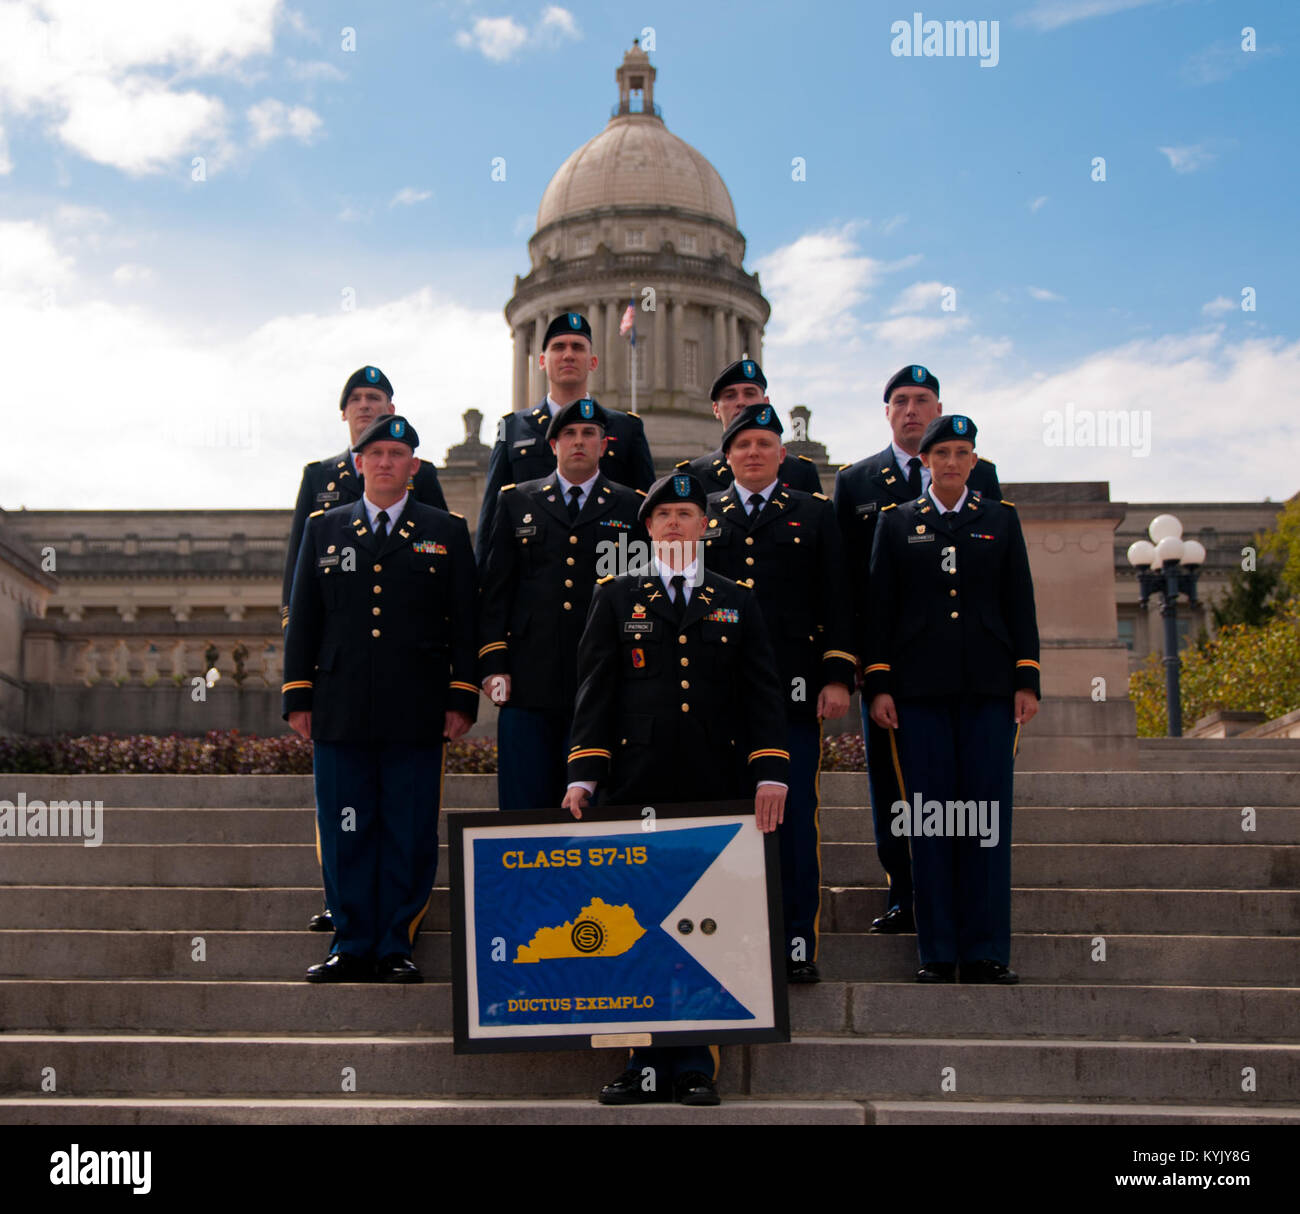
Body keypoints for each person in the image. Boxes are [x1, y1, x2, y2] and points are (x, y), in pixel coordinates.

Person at [562, 471, 789, 1106]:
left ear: (703, 525)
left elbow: (762, 694)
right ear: (648, 529)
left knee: (700, 927)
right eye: (662, 515)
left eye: (686, 513)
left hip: (711, 782)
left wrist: (769, 770)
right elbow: (596, 691)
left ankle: (694, 1065)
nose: (673, 524)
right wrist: (584, 772)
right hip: (636, 781)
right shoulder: (616, 596)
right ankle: (642, 1064)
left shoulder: (735, 598)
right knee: (634, 922)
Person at [282, 415, 478, 983]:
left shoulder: (445, 529)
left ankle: (396, 941)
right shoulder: (325, 528)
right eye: (377, 454)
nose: (387, 462)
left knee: (408, 826)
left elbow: (465, 622)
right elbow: (305, 619)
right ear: (358, 464)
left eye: (398, 454)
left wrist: (461, 696)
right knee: (346, 826)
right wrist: (299, 695)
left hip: (416, 706)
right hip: (339, 705)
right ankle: (351, 940)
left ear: (414, 467)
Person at [863, 414, 1039, 984]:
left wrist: (1026, 679)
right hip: (919, 693)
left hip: (989, 690)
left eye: (962, 453)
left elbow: (1020, 602)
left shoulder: (1001, 521)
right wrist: (882, 684)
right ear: (928, 461)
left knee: (986, 819)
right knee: (932, 820)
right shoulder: (895, 524)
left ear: (972, 462)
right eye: (942, 453)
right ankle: (937, 951)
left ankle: (987, 949)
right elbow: (880, 613)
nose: (952, 463)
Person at [833, 364, 1001, 935]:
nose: (911, 410)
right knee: (893, 784)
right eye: (900, 401)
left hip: (963, 667)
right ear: (887, 413)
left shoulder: (984, 476)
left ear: (938, 408)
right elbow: (847, 579)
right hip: (887, 664)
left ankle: (961, 898)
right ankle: (904, 888)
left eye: (922, 400)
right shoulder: (856, 482)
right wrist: (854, 660)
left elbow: (998, 574)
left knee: (963, 786)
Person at [702, 403, 854, 983]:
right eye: (743, 446)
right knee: (727, 818)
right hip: (719, 696)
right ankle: (733, 940)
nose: (754, 453)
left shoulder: (814, 513)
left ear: (782, 455)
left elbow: (837, 599)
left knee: (792, 820)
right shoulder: (702, 516)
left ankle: (795, 942)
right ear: (727, 456)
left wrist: (837, 675)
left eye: (765, 444)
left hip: (794, 691)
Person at [477, 397, 645, 811]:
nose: (578, 442)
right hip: (529, 678)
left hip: (603, 680)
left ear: (605, 445)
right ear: (552, 444)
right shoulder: (516, 501)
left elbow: (636, 596)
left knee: (596, 808)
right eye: (568, 434)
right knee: (525, 804)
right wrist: (493, 663)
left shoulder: (630, 506)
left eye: (589, 434)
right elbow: (497, 591)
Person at [475, 312, 655, 562]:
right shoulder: (511, 427)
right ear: (542, 361)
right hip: (533, 577)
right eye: (559, 347)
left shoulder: (625, 428)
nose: (568, 355)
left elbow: (648, 515)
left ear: (593, 362)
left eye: (578, 347)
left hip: (607, 575)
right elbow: (491, 516)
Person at [674, 358, 822, 494]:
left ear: (766, 403)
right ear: (716, 409)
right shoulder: (692, 477)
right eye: (730, 396)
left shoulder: (800, 473)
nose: (741, 402)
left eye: (750, 394)